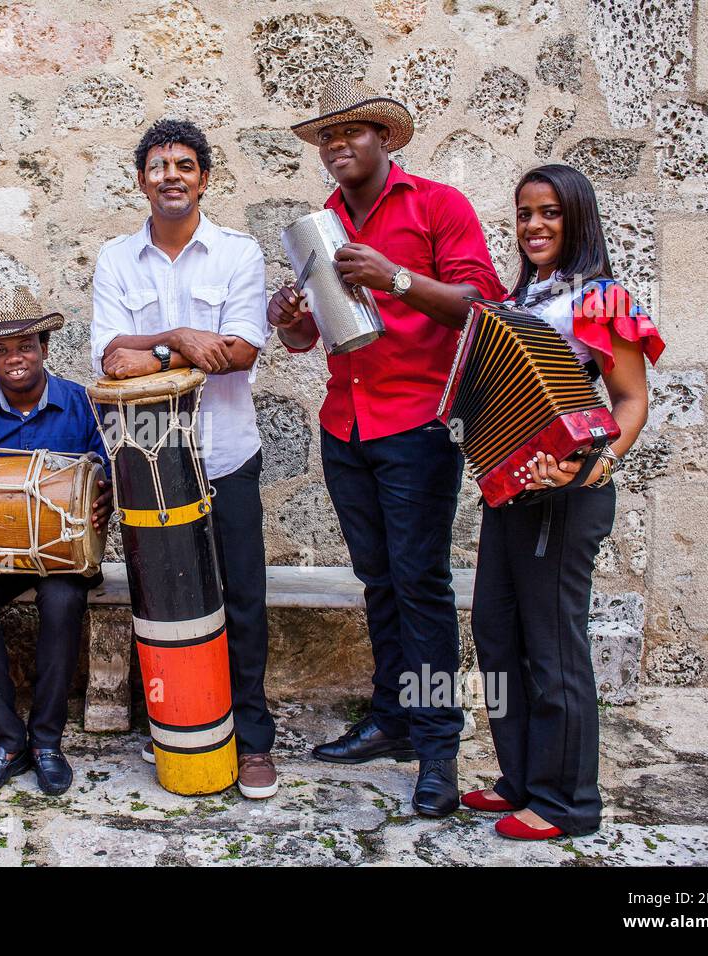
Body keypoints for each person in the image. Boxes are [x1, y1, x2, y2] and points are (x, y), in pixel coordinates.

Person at [267, 78, 506, 817]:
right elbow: (311, 338)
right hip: (346, 426)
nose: (338, 147)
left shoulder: (438, 205)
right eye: (327, 139)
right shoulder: (323, 223)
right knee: (378, 582)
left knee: (422, 586)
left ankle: (438, 748)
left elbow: (484, 305)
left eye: (352, 134)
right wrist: (288, 318)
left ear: (385, 139)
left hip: (420, 428)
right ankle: (392, 719)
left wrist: (396, 278)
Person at [463, 164, 663, 839]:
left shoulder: (602, 299)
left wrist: (598, 465)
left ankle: (567, 803)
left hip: (565, 496)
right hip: (512, 493)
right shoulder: (526, 298)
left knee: (553, 649)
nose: (534, 226)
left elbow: (630, 401)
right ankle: (521, 780)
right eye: (524, 213)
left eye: (549, 212)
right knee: (496, 633)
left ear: (576, 218)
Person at [90, 119, 278, 799]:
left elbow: (244, 352)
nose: (171, 175)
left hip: (225, 455)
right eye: (158, 166)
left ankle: (252, 741)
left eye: (185, 165)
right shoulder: (115, 259)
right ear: (141, 180)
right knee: (162, 600)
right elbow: (112, 360)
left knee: (243, 601)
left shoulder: (238, 253)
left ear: (204, 178)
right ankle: (178, 723)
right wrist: (180, 337)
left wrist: (156, 353)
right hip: (148, 467)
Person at [0, 286, 113, 798]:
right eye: (1, 349)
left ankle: (46, 742)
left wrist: (102, 495)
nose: (14, 358)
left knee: (63, 603)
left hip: (62, 553)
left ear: (44, 348)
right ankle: (6, 741)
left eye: (25, 346)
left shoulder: (83, 403)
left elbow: (106, 468)